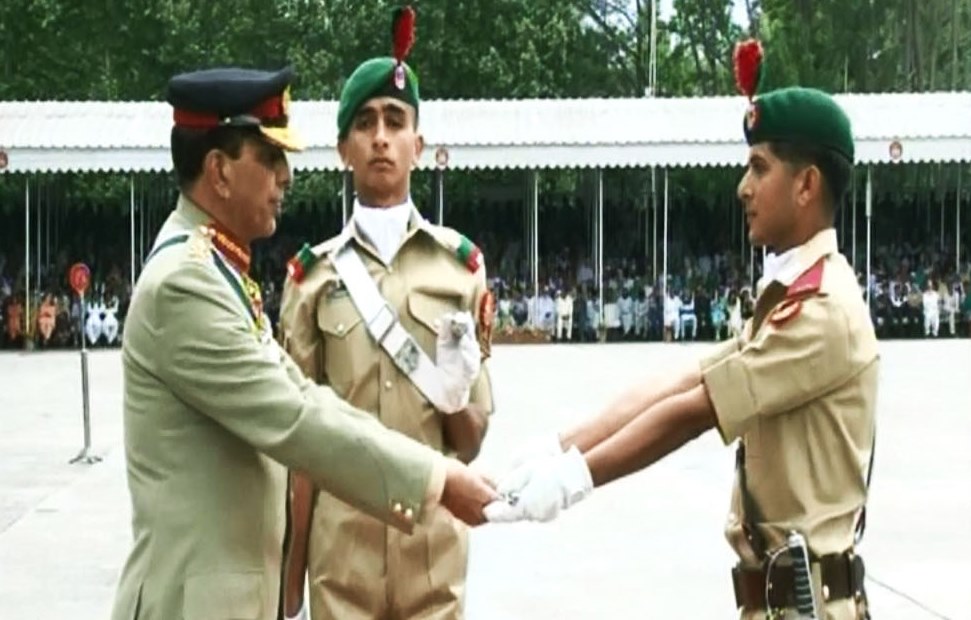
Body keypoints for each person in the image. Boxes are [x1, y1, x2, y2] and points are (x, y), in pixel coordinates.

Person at [486, 41, 878, 620]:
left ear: (806, 185)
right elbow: (682, 381)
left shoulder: (823, 312)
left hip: (809, 606)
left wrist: (572, 479)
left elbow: (694, 411)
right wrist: (559, 445)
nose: (743, 187)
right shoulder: (792, 296)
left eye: (760, 167)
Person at [110, 65, 496, 620]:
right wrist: (437, 478)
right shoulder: (186, 284)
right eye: (268, 157)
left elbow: (310, 400)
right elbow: (295, 420)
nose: (285, 175)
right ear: (218, 170)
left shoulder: (217, 272)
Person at [279, 9, 494, 619]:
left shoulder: (461, 270)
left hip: (434, 557)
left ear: (418, 145)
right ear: (343, 148)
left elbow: (471, 444)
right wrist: (290, 575)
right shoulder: (312, 280)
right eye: (366, 123)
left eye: (396, 122)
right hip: (340, 559)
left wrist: (454, 392)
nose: (380, 136)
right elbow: (296, 444)